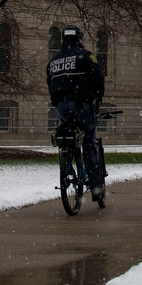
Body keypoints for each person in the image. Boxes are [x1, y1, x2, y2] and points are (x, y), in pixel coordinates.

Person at [46, 24, 106, 191]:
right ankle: (96, 186)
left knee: (69, 137)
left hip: (60, 106)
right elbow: (98, 79)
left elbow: (50, 83)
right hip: (81, 104)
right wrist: (97, 97)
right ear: (79, 38)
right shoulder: (85, 56)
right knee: (88, 141)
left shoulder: (54, 61)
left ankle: (69, 167)